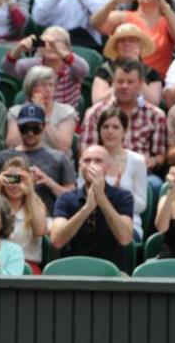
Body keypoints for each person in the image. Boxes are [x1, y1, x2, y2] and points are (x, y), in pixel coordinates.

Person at [81, 59, 167, 190]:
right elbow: (85, 151)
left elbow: (160, 155)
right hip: (102, 170)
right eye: (120, 81)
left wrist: (152, 161)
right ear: (113, 83)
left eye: (130, 82)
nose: (124, 86)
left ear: (140, 84)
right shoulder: (95, 113)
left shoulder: (156, 115)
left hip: (141, 173)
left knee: (155, 184)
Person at [51, 145, 135, 272]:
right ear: (80, 165)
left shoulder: (123, 197)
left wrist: (101, 199)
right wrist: (86, 209)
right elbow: (57, 240)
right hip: (74, 272)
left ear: (108, 167)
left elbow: (125, 238)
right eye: (87, 160)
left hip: (113, 274)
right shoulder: (66, 198)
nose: (92, 165)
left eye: (98, 161)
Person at [90, 0, 175, 79]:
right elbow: (95, 23)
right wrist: (114, 1)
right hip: (124, 80)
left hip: (156, 84)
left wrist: (164, 6)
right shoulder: (124, 17)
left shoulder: (168, 22)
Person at [0, 103, 76, 212]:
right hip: (9, 217)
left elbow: (72, 199)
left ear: (44, 127)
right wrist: (13, 179)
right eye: (25, 128)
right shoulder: (1, 158)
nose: (30, 133)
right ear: (18, 127)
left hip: (48, 218)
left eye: (35, 129)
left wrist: (48, 181)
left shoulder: (59, 158)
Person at [93, 107, 147, 240]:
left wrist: (120, 194)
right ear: (99, 130)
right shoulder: (90, 158)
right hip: (95, 222)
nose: (110, 131)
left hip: (128, 223)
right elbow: (80, 199)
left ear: (125, 131)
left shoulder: (137, 160)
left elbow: (141, 205)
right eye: (105, 126)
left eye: (116, 127)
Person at [0, 156, 49, 270]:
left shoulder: (37, 204)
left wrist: (30, 191)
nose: (14, 185)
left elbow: (40, 231)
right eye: (10, 179)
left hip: (27, 267)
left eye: (20, 179)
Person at [5, 27, 88, 109]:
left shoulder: (71, 66)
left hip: (64, 118)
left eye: (57, 41)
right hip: (34, 115)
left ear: (67, 47)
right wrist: (18, 49)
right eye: (45, 42)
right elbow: (8, 69)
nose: (51, 45)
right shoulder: (33, 64)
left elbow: (84, 71)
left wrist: (60, 52)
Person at [5, 66, 78, 152]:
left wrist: (43, 115)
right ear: (31, 87)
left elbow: (62, 147)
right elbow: (12, 144)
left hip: (55, 162)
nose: (48, 89)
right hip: (24, 159)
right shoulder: (16, 112)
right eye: (42, 85)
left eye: (51, 85)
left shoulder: (67, 112)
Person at [92, 23, 162, 105]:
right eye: (122, 40)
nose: (126, 44)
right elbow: (97, 101)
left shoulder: (151, 73)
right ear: (116, 47)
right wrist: (118, 85)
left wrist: (136, 73)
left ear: (140, 47)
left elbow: (154, 102)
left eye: (131, 40)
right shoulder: (105, 70)